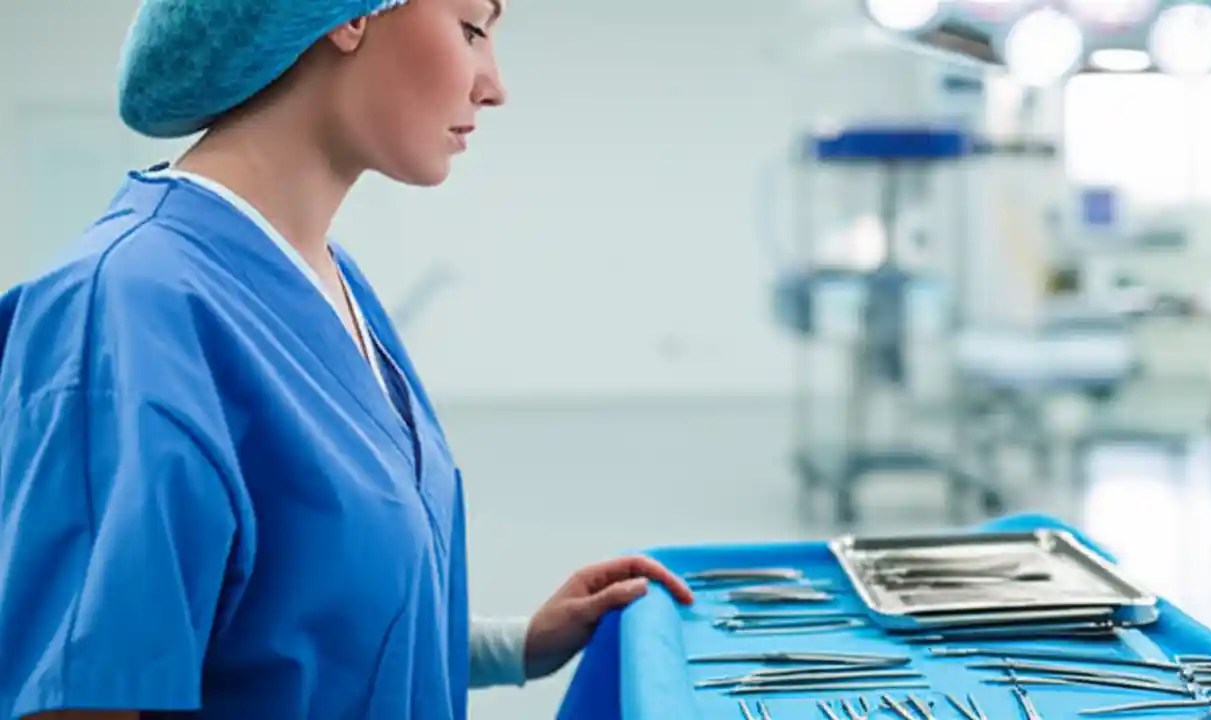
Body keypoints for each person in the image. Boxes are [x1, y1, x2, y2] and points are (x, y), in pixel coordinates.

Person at [0, 0, 695, 717]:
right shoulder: (124, 307)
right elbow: (83, 685)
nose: (494, 86)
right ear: (351, 16)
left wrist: (512, 645)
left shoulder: (328, 282)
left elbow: (294, 617)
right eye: (471, 29)